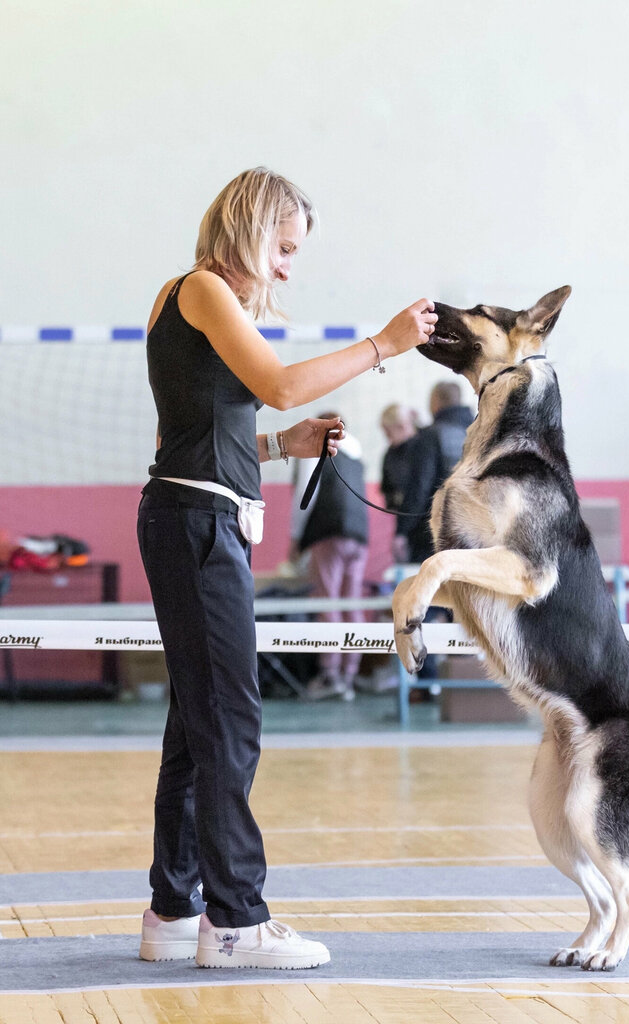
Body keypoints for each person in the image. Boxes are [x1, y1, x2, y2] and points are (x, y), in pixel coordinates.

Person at [136, 167, 436, 969]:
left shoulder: (193, 301)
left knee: (196, 725)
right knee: (230, 720)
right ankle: (236, 920)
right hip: (197, 524)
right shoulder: (203, 290)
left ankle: (173, 910)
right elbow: (275, 383)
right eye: (284, 246)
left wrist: (283, 445)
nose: (288, 266)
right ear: (252, 227)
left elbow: (212, 430)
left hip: (191, 514)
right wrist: (383, 346)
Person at [393, 382, 474, 692]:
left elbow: (418, 492)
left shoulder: (429, 437)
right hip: (475, 540)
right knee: (467, 608)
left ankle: (425, 684)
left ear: (435, 403)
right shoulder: (482, 428)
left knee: (422, 605)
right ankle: (464, 684)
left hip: (433, 539)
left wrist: (401, 532)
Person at [289, 413, 369, 701]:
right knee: (352, 604)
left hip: (329, 531)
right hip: (360, 534)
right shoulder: (356, 451)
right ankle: (349, 675)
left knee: (328, 602)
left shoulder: (316, 448)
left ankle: (329, 675)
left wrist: (295, 539)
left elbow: (304, 494)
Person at [379, 403, 421, 522]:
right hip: (404, 515)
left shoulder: (424, 446)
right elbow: (386, 487)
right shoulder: (390, 453)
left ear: (402, 426)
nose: (387, 437)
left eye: (388, 432)